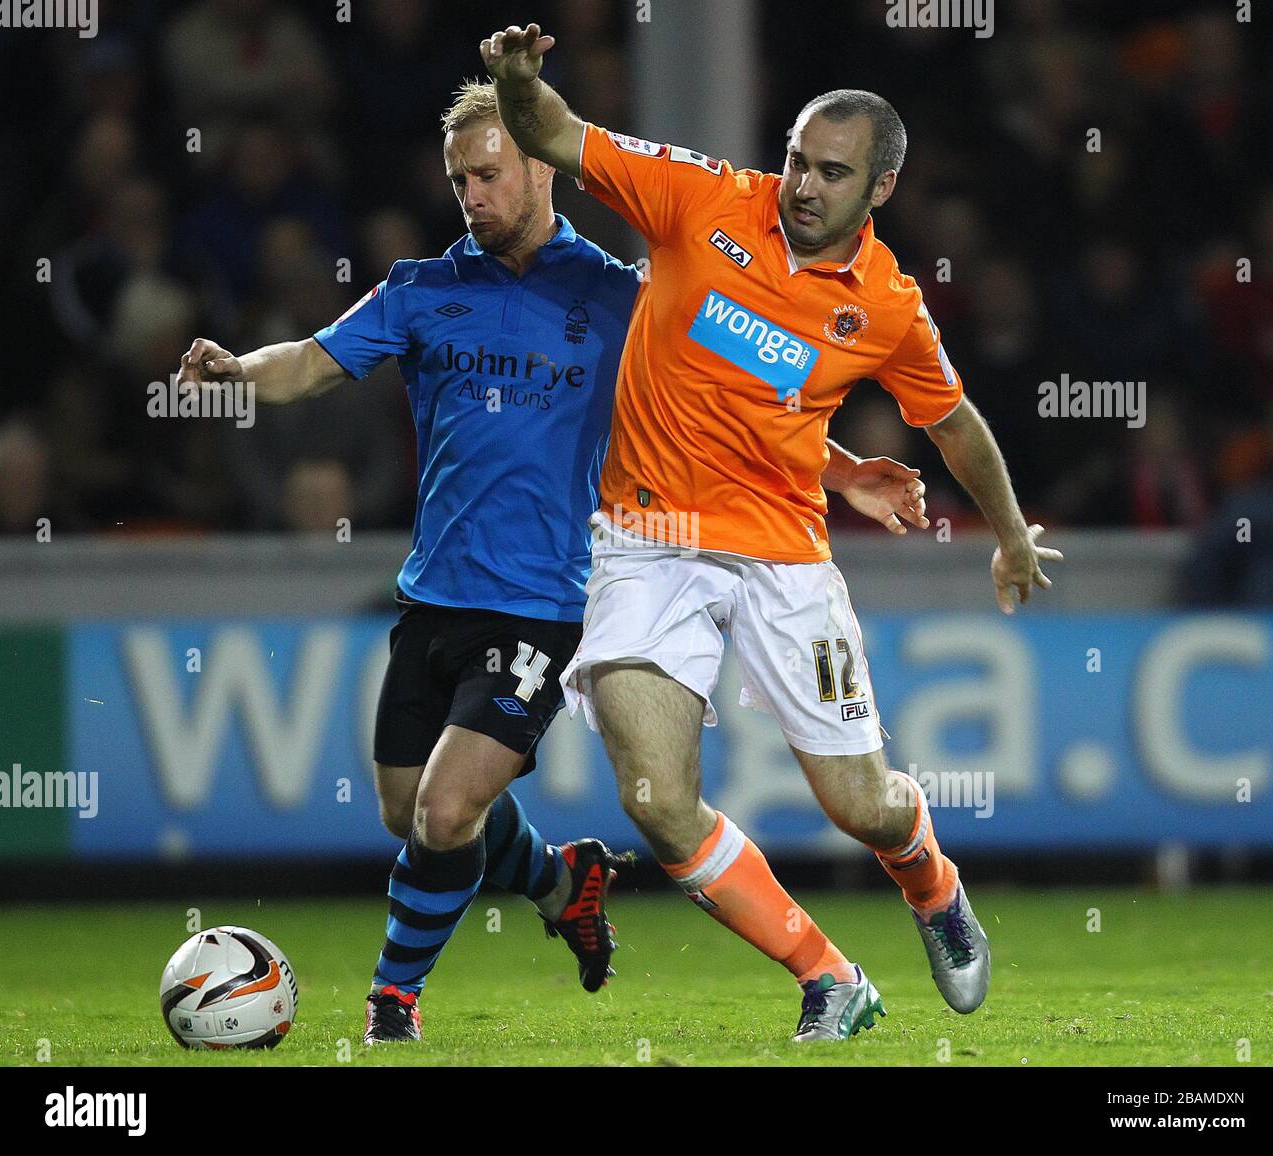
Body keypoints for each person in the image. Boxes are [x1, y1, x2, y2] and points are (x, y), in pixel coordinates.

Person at [176, 81, 923, 1044]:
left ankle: (391, 1006)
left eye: (489, 174)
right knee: (414, 815)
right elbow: (315, 360)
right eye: (458, 181)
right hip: (435, 599)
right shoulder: (421, 290)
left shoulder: (621, 293)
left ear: (540, 166)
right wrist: (243, 369)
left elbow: (731, 413)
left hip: (548, 603)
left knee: (447, 813)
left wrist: (847, 468)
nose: (473, 197)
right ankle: (564, 879)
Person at [483, 23, 1063, 1042]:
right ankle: (829, 977)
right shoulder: (702, 197)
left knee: (863, 806)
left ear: (877, 191)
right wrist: (518, 83)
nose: (801, 185)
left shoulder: (885, 306)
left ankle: (928, 881)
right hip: (643, 543)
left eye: (830, 173)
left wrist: (1009, 534)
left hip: (788, 563)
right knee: (658, 800)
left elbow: (953, 421)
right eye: (796, 158)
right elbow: (559, 134)